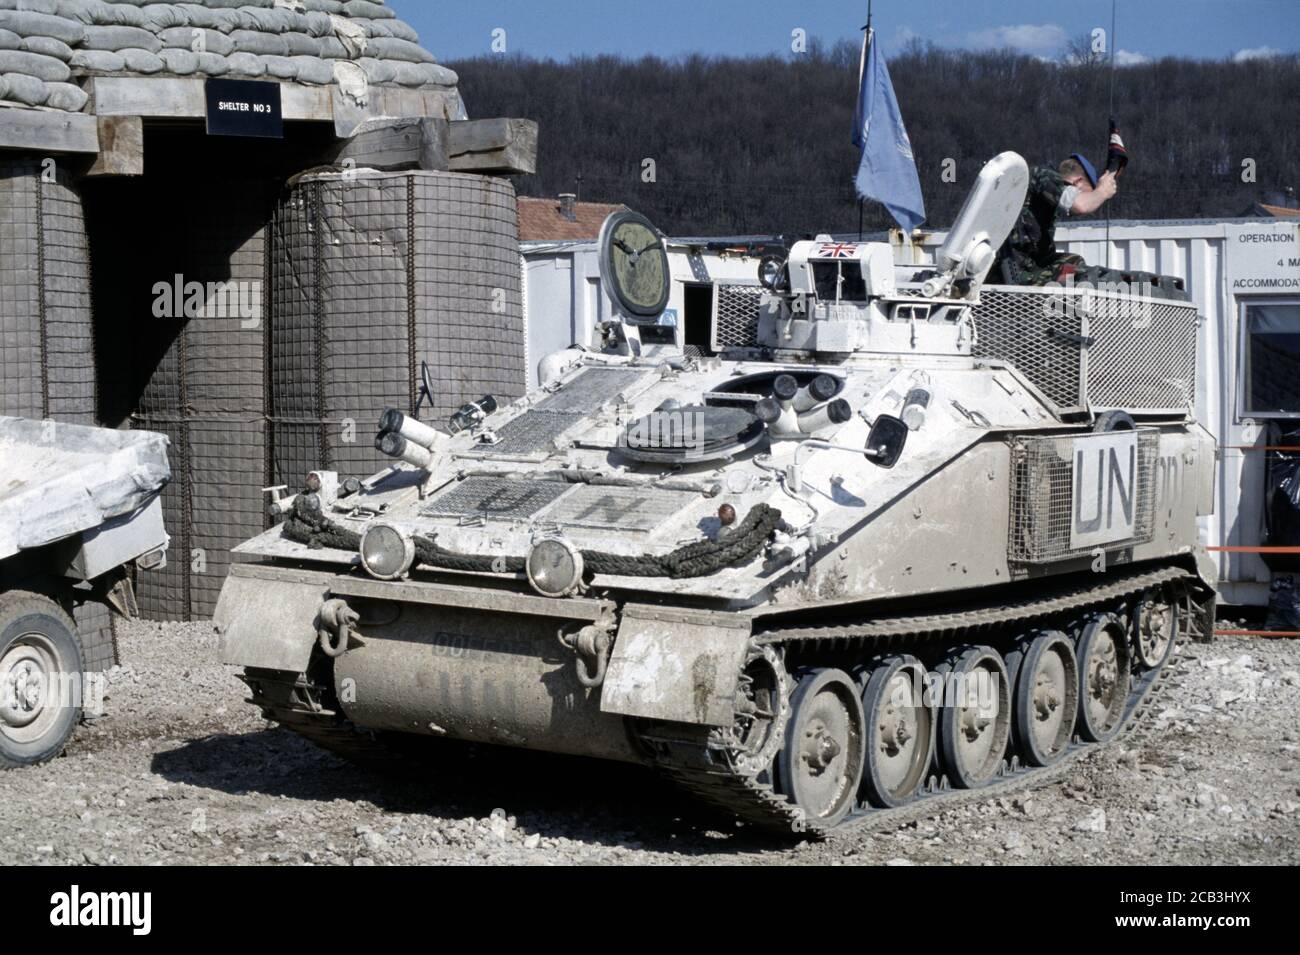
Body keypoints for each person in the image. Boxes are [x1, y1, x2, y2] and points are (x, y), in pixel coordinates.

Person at [992, 153, 1118, 286]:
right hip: (1008, 270)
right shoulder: (1043, 176)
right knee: (1082, 278)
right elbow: (1081, 205)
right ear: (1078, 182)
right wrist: (1102, 191)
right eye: (1086, 193)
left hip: (1026, 267)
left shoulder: (1045, 206)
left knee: (1074, 262)